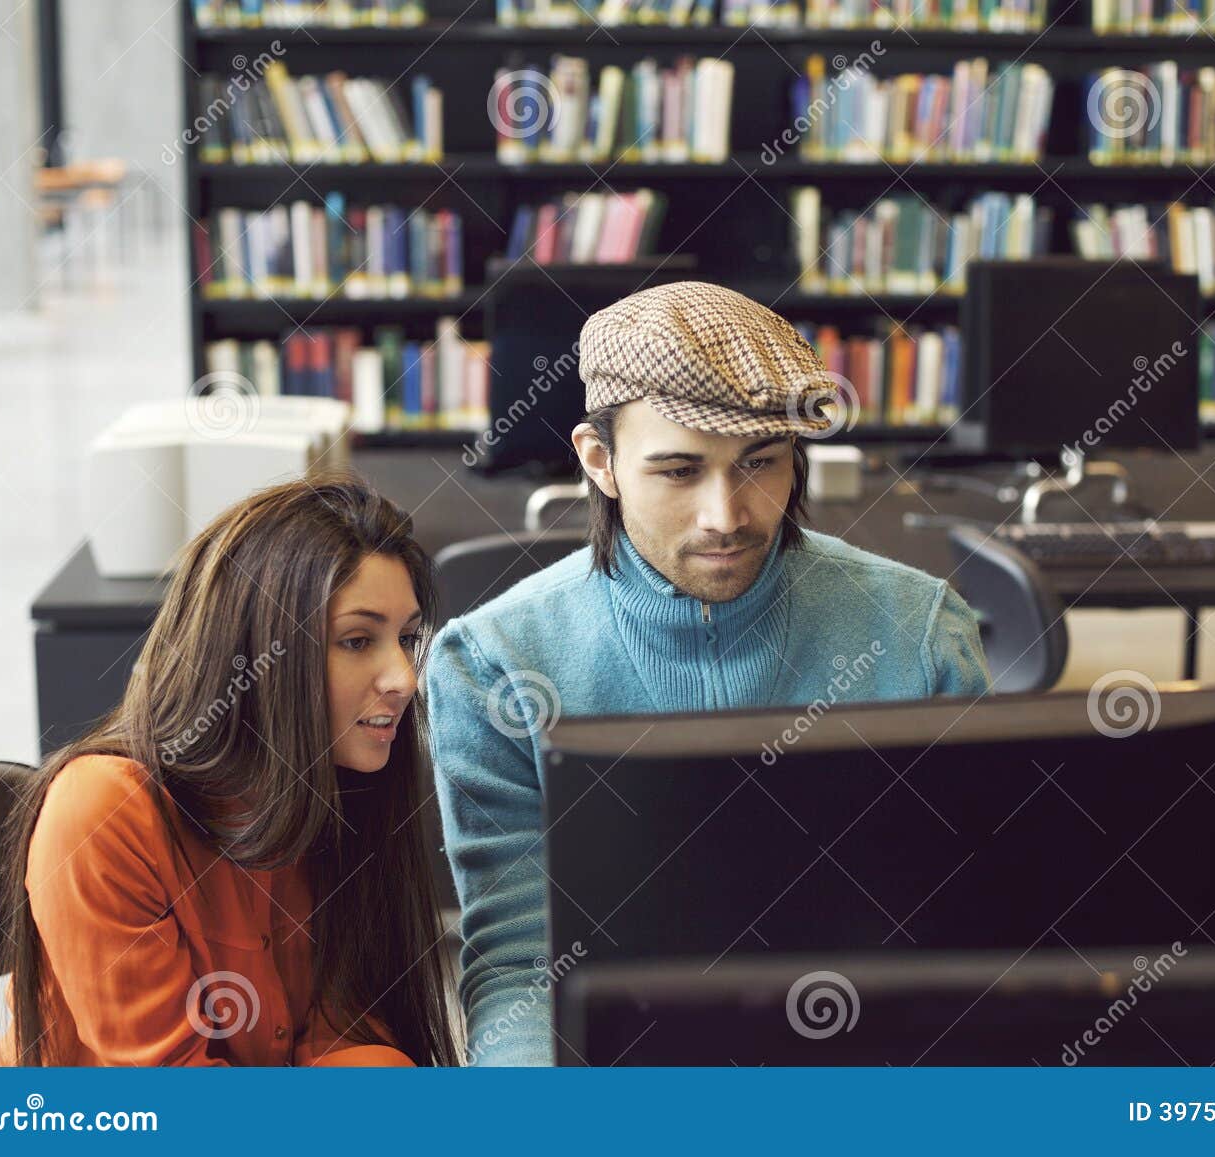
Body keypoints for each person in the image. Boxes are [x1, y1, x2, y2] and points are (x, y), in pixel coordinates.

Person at [425, 281, 992, 1066]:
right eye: (680, 471)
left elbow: (970, 931)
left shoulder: (922, 632)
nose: (726, 515)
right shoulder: (491, 665)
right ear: (601, 461)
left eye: (759, 462)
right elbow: (522, 959)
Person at [0, 475, 456, 1066]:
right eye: (358, 641)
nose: (405, 679)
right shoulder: (102, 809)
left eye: (407, 638)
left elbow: (347, 1028)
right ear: (256, 653)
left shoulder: (337, 782)